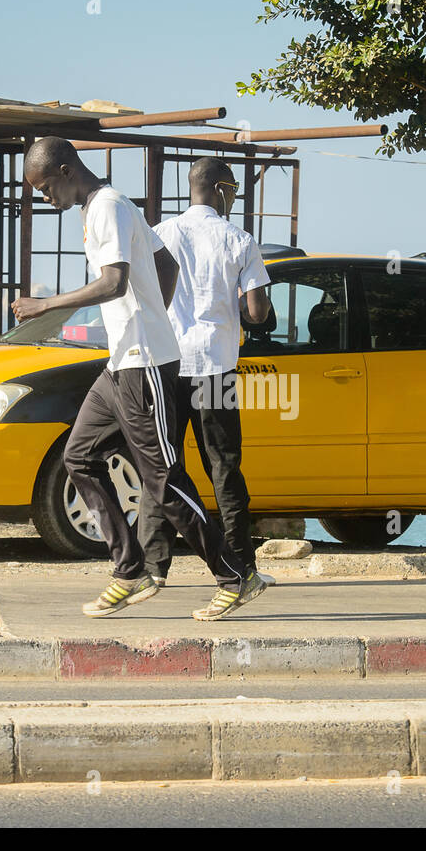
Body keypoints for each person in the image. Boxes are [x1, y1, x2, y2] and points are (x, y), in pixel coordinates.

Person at [11, 137, 267, 620]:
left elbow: (114, 281)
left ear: (66, 171)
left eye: (46, 188)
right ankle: (130, 569)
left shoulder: (107, 207)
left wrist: (44, 305)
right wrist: (152, 316)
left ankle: (236, 575)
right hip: (124, 360)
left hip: (144, 363)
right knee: (79, 455)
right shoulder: (113, 204)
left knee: (165, 480)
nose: (46, 199)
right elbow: (165, 263)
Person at [137, 157, 274, 602]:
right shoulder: (240, 239)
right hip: (216, 369)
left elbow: (147, 296)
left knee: (162, 467)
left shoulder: (160, 233)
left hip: (169, 367)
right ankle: (240, 565)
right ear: (218, 189)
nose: (233, 197)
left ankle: (153, 568)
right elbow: (257, 312)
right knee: (225, 469)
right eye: (231, 189)